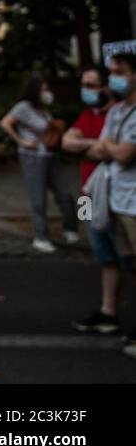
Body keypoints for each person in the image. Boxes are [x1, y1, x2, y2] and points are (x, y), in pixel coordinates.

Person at [63, 67, 128, 334]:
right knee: (103, 254)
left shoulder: (118, 115)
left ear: (106, 87)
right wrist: (94, 147)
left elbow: (110, 151)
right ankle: (107, 312)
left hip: (114, 197)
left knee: (126, 256)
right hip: (88, 196)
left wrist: (88, 146)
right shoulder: (87, 115)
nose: (87, 91)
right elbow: (67, 143)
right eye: (84, 85)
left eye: (92, 85)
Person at [85, 53, 136, 357]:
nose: (113, 77)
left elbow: (124, 155)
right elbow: (98, 149)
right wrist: (111, 148)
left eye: (121, 72)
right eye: (112, 71)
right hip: (118, 201)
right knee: (129, 266)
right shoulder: (117, 111)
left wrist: (110, 148)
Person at [0, 75, 79, 253]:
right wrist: (22, 141)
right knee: (38, 197)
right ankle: (41, 236)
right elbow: (5, 123)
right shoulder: (23, 108)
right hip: (32, 158)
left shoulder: (43, 109)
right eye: (43, 89)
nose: (47, 93)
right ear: (35, 91)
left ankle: (71, 228)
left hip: (50, 156)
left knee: (65, 193)